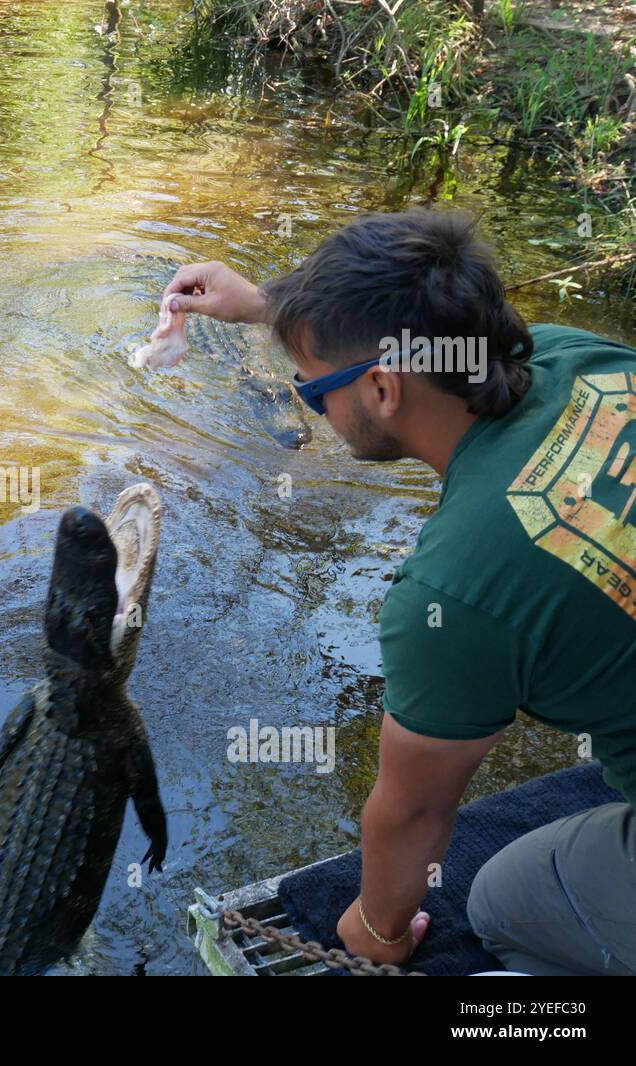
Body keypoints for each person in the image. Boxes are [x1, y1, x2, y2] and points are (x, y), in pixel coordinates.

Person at [163, 208, 636, 975]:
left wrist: (375, 932)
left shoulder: (454, 592)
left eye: (312, 394)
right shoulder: (579, 358)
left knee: (505, 901)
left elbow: (415, 811)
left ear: (381, 387)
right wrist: (266, 308)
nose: (314, 409)